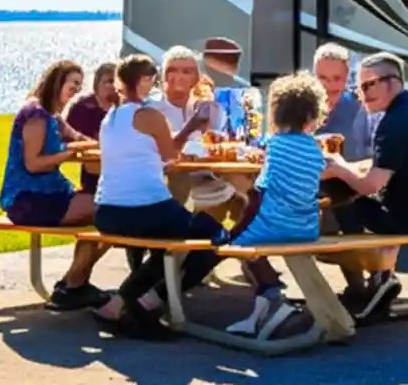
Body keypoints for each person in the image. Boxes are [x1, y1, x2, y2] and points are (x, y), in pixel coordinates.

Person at [91, 54, 226, 340]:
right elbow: (172, 154)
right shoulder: (150, 115)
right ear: (142, 81)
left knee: (169, 244)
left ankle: (120, 304)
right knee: (217, 236)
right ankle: (146, 301)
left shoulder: (111, 117)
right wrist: (193, 125)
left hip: (106, 211)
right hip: (144, 208)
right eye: (152, 80)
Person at [322, 52, 408, 324]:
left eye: (369, 84)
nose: (363, 94)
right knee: (350, 186)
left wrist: (337, 168)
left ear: (394, 82)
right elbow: (395, 163)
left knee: (340, 195)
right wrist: (355, 168)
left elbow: (372, 185)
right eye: (359, 87)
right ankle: (378, 277)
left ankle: (374, 277)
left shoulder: (393, 124)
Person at [220, 71, 329, 338]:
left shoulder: (274, 145)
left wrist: (234, 230)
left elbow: (259, 192)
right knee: (251, 238)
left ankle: (273, 297)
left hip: (276, 226)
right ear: (311, 115)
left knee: (236, 244)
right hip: (307, 228)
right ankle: (259, 313)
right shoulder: (316, 149)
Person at [0, 59, 110, 310]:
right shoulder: (36, 114)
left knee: (110, 209)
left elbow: (79, 138)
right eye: (73, 84)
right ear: (57, 82)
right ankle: (73, 286)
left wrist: (105, 144)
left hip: (53, 193)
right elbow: (33, 164)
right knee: (112, 211)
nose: (76, 91)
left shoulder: (52, 115)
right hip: (29, 199)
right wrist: (66, 154)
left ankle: (74, 283)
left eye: (80, 85)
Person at [147, 46, 236, 215]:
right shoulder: (150, 108)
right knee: (180, 180)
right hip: (166, 180)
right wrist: (192, 126)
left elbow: (219, 144)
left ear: (196, 77)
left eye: (186, 71)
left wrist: (210, 131)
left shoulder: (209, 107)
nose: (179, 77)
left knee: (247, 191)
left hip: (209, 179)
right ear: (162, 75)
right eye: (172, 70)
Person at [64, 61, 119, 193]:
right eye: (109, 81)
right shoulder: (82, 108)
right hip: (94, 179)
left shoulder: (128, 108)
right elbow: (66, 138)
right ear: (96, 85)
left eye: (117, 81)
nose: (113, 86)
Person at [312, 43, 372, 161]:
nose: (330, 85)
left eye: (337, 78)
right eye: (323, 78)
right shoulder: (297, 109)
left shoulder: (362, 108)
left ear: (346, 77)